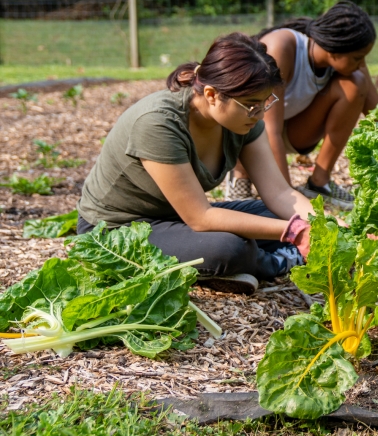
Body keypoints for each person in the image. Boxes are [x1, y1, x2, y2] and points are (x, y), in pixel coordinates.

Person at [76, 33, 315, 295]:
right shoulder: (158, 122)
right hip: (116, 229)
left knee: (280, 215)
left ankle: (237, 266)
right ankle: (276, 262)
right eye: (251, 105)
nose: (259, 114)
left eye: (265, 102)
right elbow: (200, 218)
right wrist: (294, 232)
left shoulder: (241, 120)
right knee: (229, 248)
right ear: (212, 94)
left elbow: (280, 193)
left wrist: (330, 228)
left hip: (176, 217)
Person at [226, 1, 378, 210]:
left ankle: (319, 183)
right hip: (244, 130)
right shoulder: (282, 47)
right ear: (336, 49)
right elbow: (270, 129)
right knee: (249, 117)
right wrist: (287, 198)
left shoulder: (347, 62)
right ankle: (240, 174)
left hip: (290, 131)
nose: (362, 64)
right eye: (358, 58)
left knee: (357, 83)